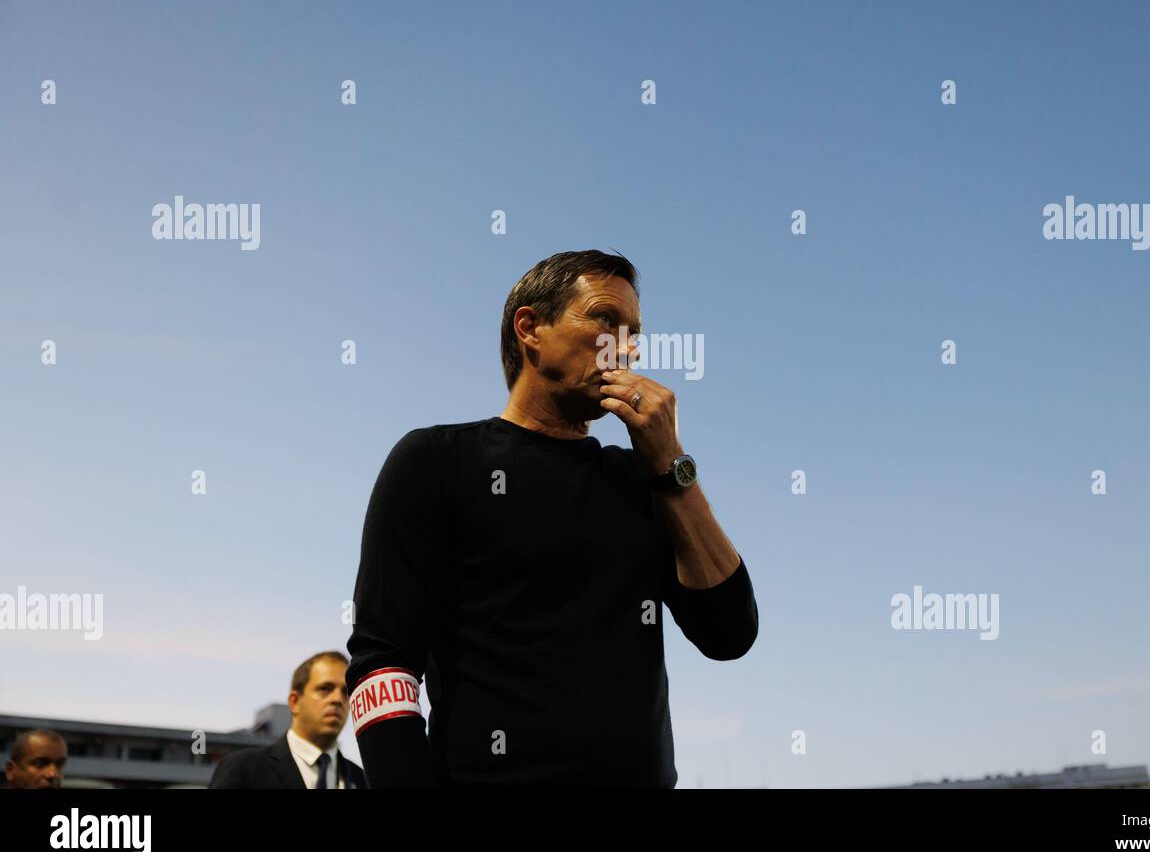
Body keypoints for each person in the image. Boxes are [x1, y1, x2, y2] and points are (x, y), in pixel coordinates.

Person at [346, 249, 758, 787]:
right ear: (530, 328)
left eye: (634, 332)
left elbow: (729, 634)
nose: (626, 347)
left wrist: (671, 462)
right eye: (605, 320)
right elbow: (383, 663)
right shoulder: (436, 460)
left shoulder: (643, 479)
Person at [209, 651, 367, 788]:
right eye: (325, 689)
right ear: (294, 702)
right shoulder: (243, 769)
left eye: (345, 692)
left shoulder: (363, 780)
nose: (338, 699)